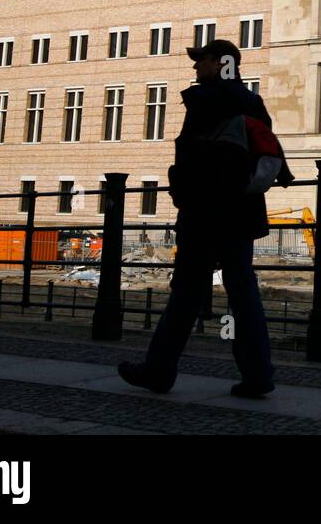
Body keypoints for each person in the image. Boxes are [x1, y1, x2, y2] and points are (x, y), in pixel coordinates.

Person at [119, 39, 280, 398]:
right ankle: (258, 374)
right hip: (242, 211)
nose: (195, 67)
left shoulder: (205, 99)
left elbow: (192, 159)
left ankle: (159, 370)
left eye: (201, 60)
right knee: (243, 292)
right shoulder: (254, 102)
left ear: (219, 63)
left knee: (187, 292)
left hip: (206, 213)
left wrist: (182, 192)